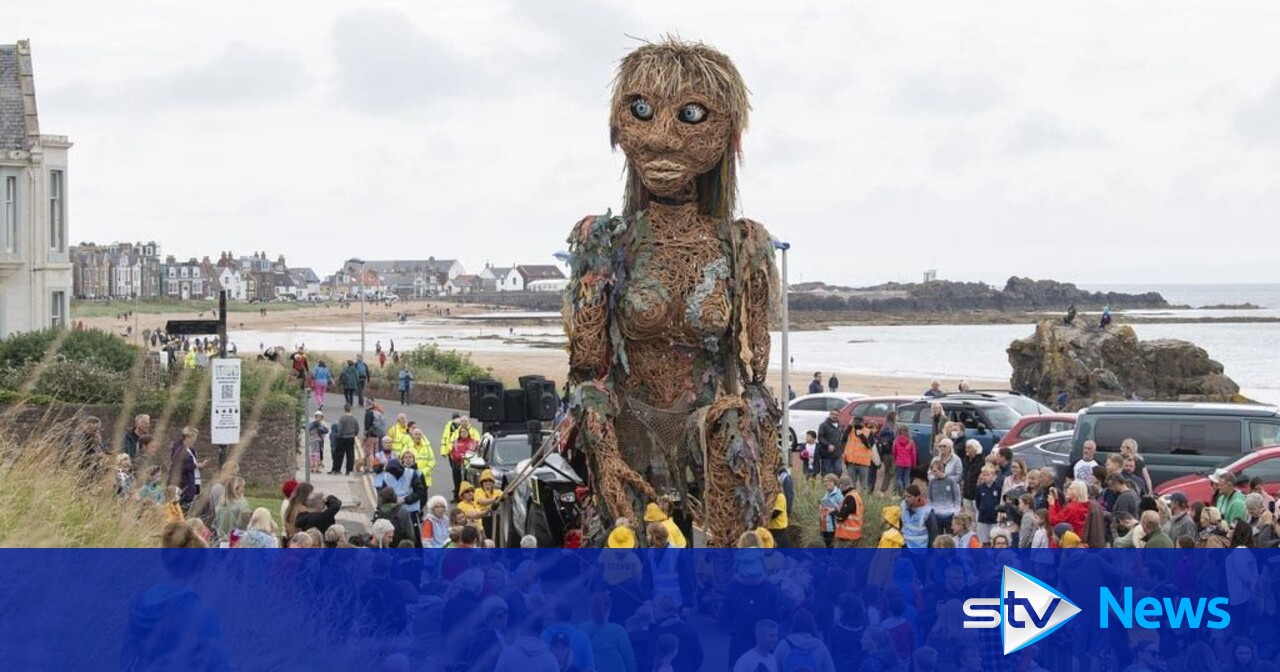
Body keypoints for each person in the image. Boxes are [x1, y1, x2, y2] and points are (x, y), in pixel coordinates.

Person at [168, 426, 206, 512]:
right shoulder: (180, 449)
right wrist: (196, 465)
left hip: (191, 483)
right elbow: (180, 465)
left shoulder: (189, 449)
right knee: (183, 510)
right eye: (194, 437)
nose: (195, 440)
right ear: (188, 437)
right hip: (183, 485)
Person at [443, 415, 480, 501]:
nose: (463, 423)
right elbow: (452, 448)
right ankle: (457, 497)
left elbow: (475, 447)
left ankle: (469, 497)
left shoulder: (474, 433)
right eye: (462, 421)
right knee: (457, 481)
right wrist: (458, 455)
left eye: (465, 421)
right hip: (457, 463)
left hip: (469, 464)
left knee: (469, 481)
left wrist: (466, 456)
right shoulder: (456, 434)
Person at [901, 484, 938, 549]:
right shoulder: (903, 506)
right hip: (905, 546)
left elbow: (933, 534)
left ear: (917, 497)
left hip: (920, 548)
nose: (906, 499)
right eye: (905, 497)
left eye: (909, 497)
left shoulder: (927, 512)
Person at [833, 476, 864, 547]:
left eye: (839, 486)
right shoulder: (856, 496)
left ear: (843, 485)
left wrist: (834, 513)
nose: (839, 489)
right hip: (855, 535)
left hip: (846, 536)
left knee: (837, 557)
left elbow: (841, 517)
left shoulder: (850, 497)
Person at [333, 404, 360, 475]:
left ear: (344, 409)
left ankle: (337, 469)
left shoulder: (342, 418)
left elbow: (340, 429)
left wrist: (339, 436)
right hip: (351, 438)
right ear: (351, 409)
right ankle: (348, 470)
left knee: (339, 454)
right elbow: (357, 428)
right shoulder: (354, 419)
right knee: (350, 454)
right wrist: (355, 434)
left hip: (343, 438)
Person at [819, 474, 842, 549]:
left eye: (829, 481)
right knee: (828, 547)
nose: (827, 483)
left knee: (832, 548)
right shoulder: (826, 494)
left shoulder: (838, 494)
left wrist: (833, 508)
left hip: (833, 527)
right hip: (825, 527)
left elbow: (842, 510)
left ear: (835, 482)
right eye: (825, 481)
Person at [817, 411, 843, 477]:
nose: (834, 416)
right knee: (826, 473)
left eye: (836, 415)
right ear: (829, 415)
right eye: (833, 414)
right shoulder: (823, 425)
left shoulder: (840, 426)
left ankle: (835, 486)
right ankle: (825, 486)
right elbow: (820, 438)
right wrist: (828, 445)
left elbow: (842, 439)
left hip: (837, 454)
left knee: (839, 470)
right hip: (826, 454)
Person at [891, 426, 917, 493]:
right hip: (908, 463)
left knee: (898, 478)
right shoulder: (911, 441)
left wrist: (895, 459)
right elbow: (913, 454)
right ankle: (907, 492)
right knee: (906, 479)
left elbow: (894, 451)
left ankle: (901, 490)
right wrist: (914, 464)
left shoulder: (896, 440)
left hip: (899, 462)